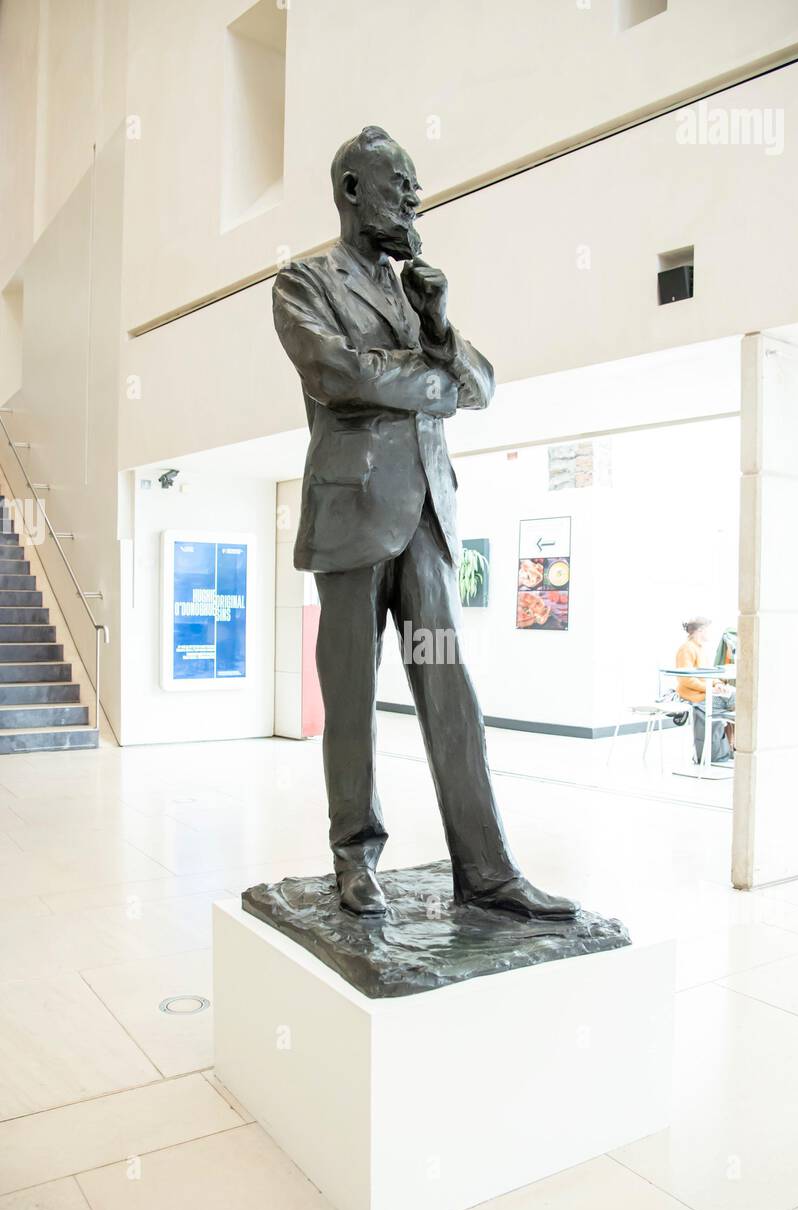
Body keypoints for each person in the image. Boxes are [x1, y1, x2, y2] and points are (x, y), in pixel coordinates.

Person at [272, 126, 578, 921]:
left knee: (451, 694)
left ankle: (485, 869)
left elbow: (479, 384)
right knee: (351, 697)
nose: (412, 195)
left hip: (427, 527)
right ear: (349, 190)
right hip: (351, 522)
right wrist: (433, 383)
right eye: (397, 181)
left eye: (413, 184)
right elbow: (338, 373)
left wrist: (438, 324)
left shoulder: (417, 293)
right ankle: (354, 859)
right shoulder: (303, 283)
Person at [675, 617, 735, 765]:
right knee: (740, 699)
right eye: (709, 629)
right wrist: (711, 688)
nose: (711, 632)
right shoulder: (687, 649)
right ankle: (731, 746)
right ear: (700, 630)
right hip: (697, 697)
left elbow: (708, 674)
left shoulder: (700, 649)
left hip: (706, 693)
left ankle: (730, 745)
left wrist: (718, 684)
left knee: (737, 697)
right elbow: (686, 679)